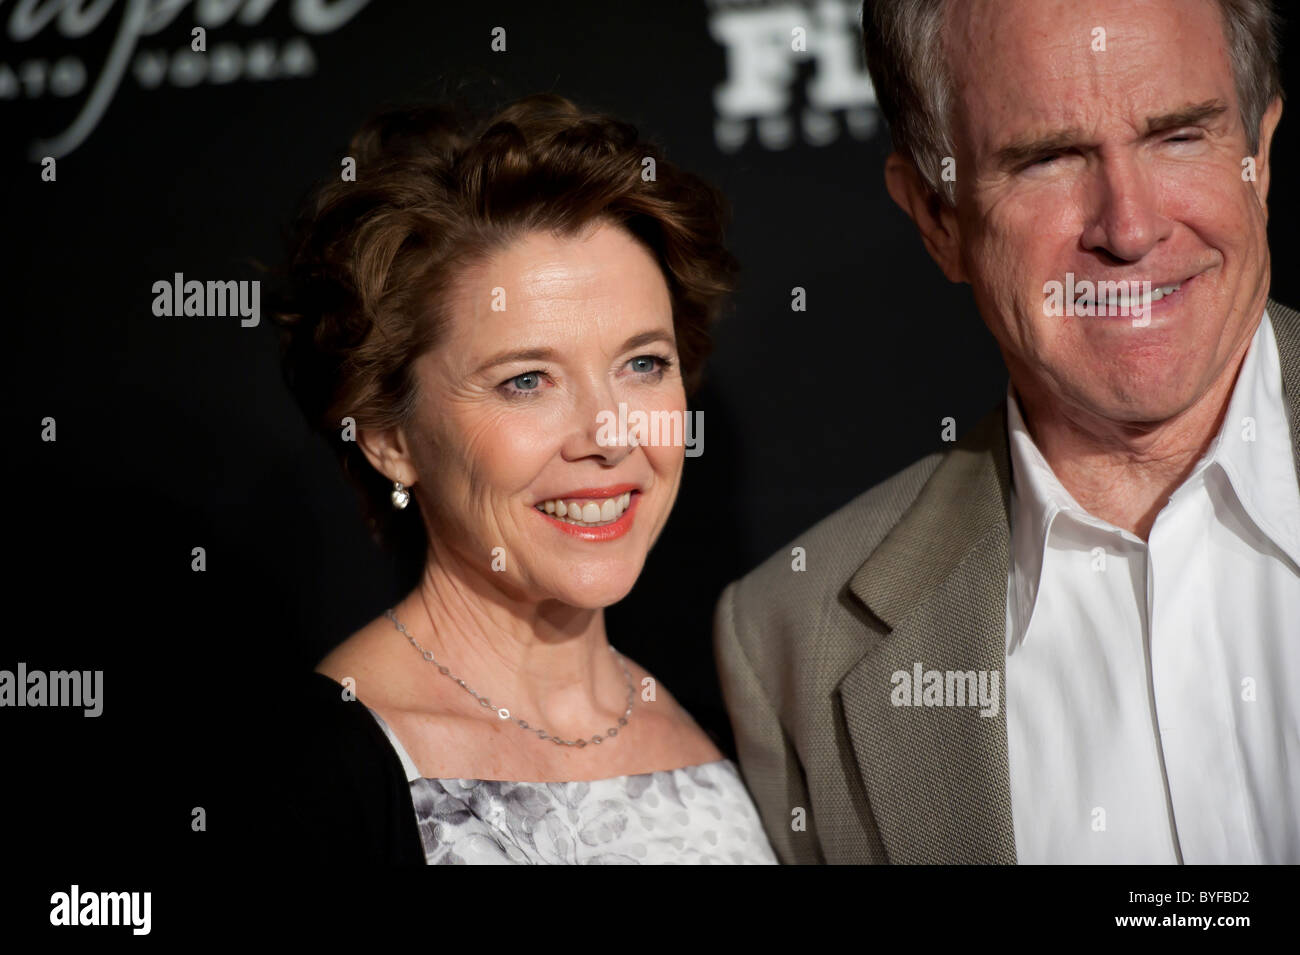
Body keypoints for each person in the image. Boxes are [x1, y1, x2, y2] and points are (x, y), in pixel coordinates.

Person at [715, 0, 1300, 863]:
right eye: (1049, 159)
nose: (1131, 228)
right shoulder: (796, 641)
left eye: (1178, 136)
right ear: (937, 217)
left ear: (1261, 155)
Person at [272, 93, 776, 864]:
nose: (610, 435)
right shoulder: (311, 778)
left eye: (644, 364)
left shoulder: (745, 733)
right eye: (527, 381)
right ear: (388, 436)